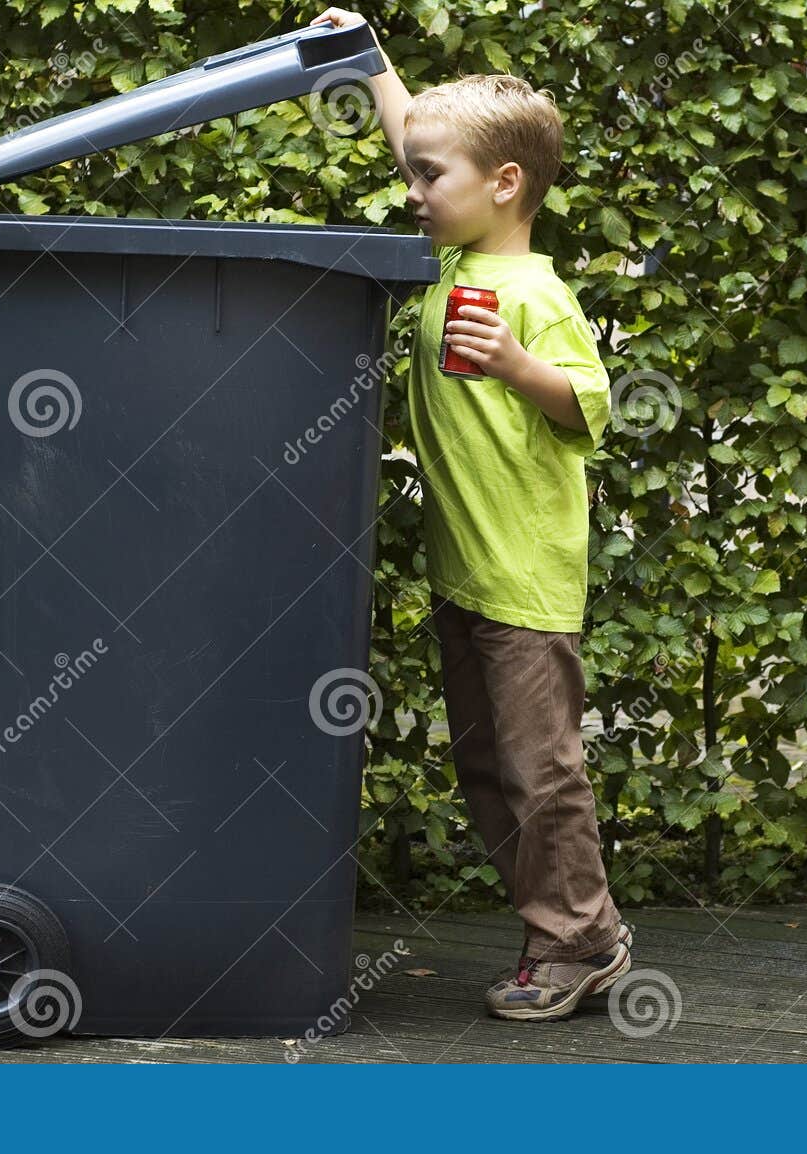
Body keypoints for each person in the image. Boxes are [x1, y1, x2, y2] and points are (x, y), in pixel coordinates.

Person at [309, 8, 635, 1021]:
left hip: (527, 583)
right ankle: (558, 922)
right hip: (467, 573)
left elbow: (590, 403)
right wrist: (371, 61)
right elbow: (422, 132)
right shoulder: (451, 261)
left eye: (428, 180)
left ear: (504, 188)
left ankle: (582, 937)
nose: (411, 191)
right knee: (489, 762)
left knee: (543, 771)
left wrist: (518, 366)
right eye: (412, 174)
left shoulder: (533, 292)